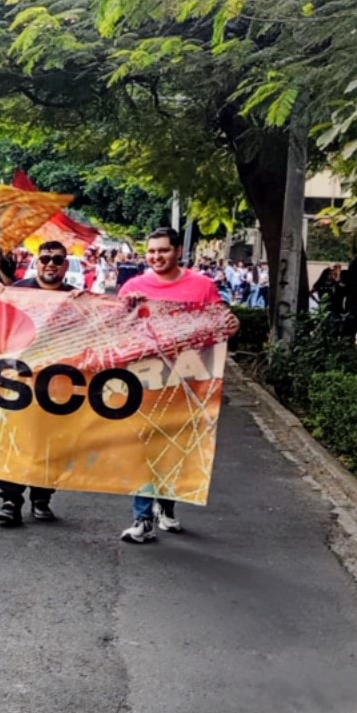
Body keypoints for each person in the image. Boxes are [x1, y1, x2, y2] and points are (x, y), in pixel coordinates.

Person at [117, 227, 237, 544]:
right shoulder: (133, 287)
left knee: (174, 451)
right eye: (151, 251)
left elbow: (220, 324)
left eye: (163, 250)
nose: (156, 257)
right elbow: (113, 329)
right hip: (144, 383)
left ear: (178, 252)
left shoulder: (202, 286)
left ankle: (166, 507)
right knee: (144, 450)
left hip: (187, 384)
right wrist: (126, 310)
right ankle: (142, 519)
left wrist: (232, 324)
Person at [0, 240, 77, 526]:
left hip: (57, 385)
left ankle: (42, 498)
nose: (50, 264)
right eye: (45, 259)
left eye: (57, 260)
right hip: (19, 381)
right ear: (36, 262)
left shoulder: (78, 299)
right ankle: (10, 500)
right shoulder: (17, 293)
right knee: (13, 440)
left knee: (51, 443)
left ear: (65, 265)